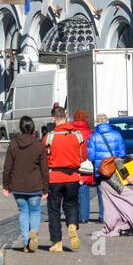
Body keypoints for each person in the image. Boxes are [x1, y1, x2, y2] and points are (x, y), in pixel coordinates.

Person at [2, 115, 49, 252]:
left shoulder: (13, 144)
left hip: (17, 186)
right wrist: (46, 188)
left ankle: (26, 242)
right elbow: (44, 169)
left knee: (23, 212)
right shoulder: (39, 145)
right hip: (35, 185)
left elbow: (7, 167)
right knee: (35, 211)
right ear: (33, 127)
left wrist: (6, 186)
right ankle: (33, 231)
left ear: (20, 128)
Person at [43, 105, 86, 253]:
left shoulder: (50, 136)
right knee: (72, 204)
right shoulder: (77, 135)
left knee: (54, 210)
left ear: (53, 118)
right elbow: (83, 156)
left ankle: (57, 242)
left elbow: (44, 157)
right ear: (66, 117)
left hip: (54, 176)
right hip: (73, 176)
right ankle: (72, 224)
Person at [86, 113, 126, 222]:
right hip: (115, 168)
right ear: (108, 122)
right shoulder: (117, 135)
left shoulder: (93, 137)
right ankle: (117, 216)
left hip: (102, 170)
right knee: (117, 192)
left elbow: (91, 156)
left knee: (102, 194)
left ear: (97, 123)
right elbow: (122, 154)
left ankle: (103, 216)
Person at [69, 108, 94, 224]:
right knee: (84, 192)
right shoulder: (89, 134)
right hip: (85, 165)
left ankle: (73, 216)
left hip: (71, 164)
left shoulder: (70, 132)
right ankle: (84, 217)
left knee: (72, 193)